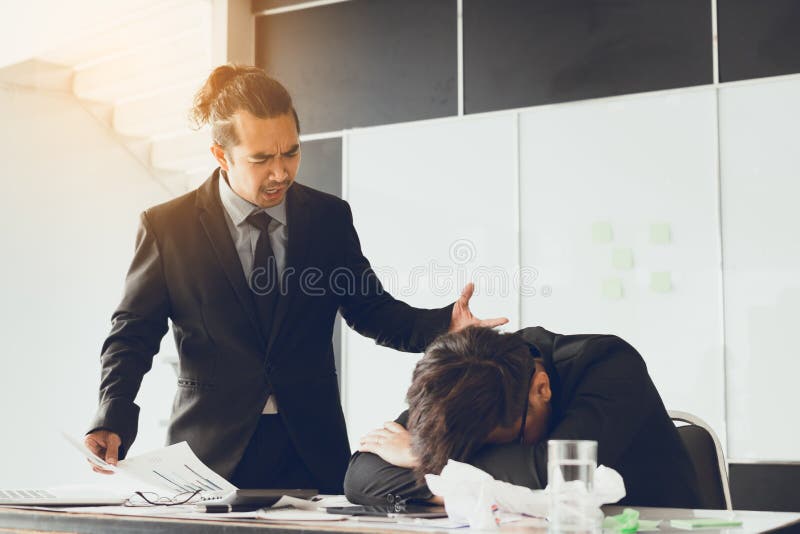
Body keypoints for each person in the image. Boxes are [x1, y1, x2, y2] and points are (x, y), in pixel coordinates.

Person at [83, 65, 506, 493]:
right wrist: (112, 415)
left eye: (291, 152)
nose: (281, 172)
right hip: (208, 456)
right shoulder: (167, 228)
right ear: (220, 156)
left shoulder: (328, 218)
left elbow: (371, 309)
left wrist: (445, 327)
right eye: (262, 159)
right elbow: (132, 334)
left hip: (312, 450)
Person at [344, 326, 702, 508]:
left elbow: (556, 472)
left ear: (542, 389)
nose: (485, 459)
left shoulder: (609, 365)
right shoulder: (466, 377)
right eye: (471, 452)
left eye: (503, 448)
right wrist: (462, 485)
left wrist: (426, 461)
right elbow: (360, 476)